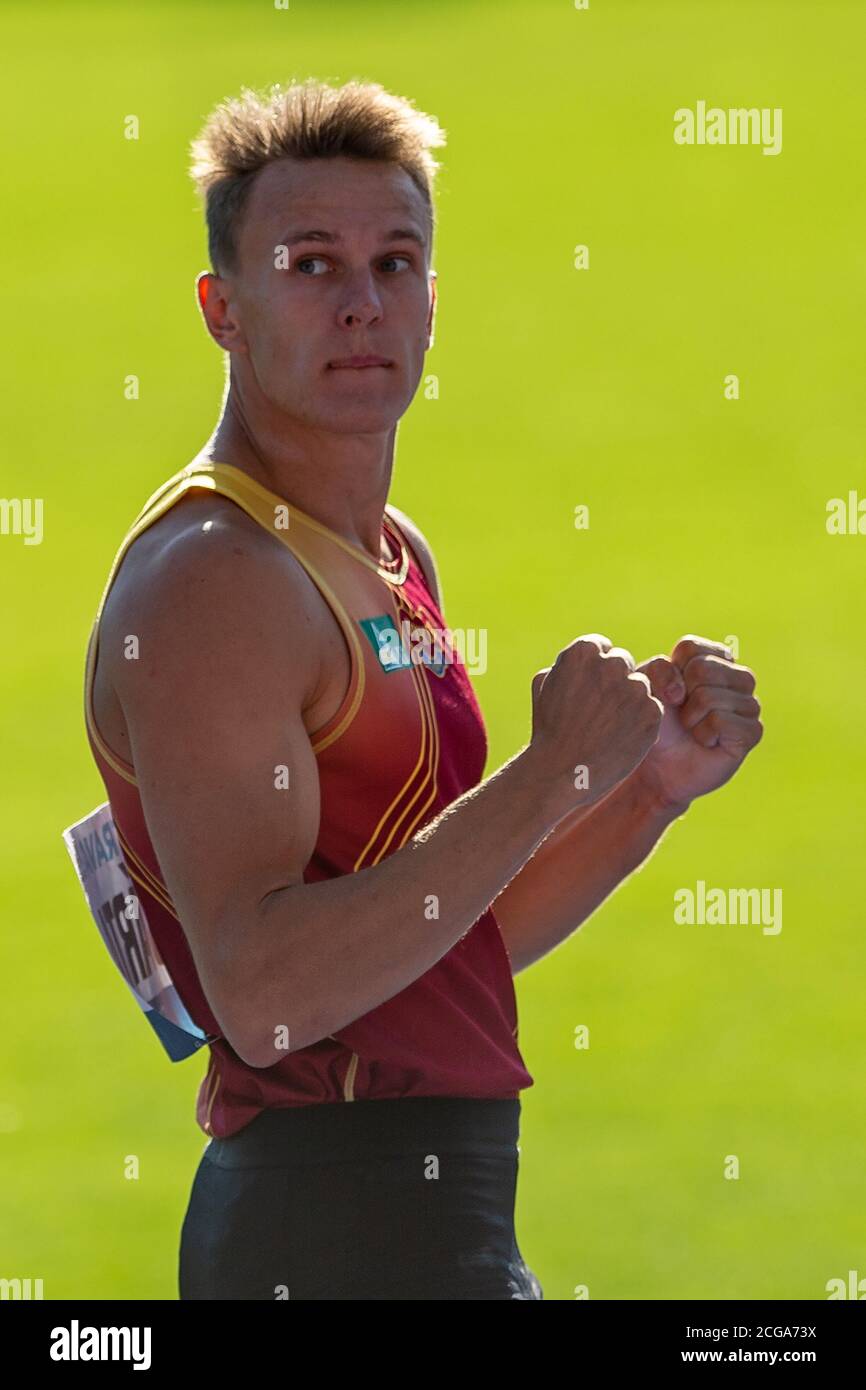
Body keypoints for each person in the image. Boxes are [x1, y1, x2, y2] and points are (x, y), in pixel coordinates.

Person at [83, 78, 763, 1300]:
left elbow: (448, 940)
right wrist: (551, 770)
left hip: (433, 1211)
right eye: (309, 264)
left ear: (435, 301)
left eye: (395, 263)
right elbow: (268, 997)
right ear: (219, 309)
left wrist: (641, 792)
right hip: (326, 1225)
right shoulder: (219, 583)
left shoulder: (388, 553)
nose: (360, 303)